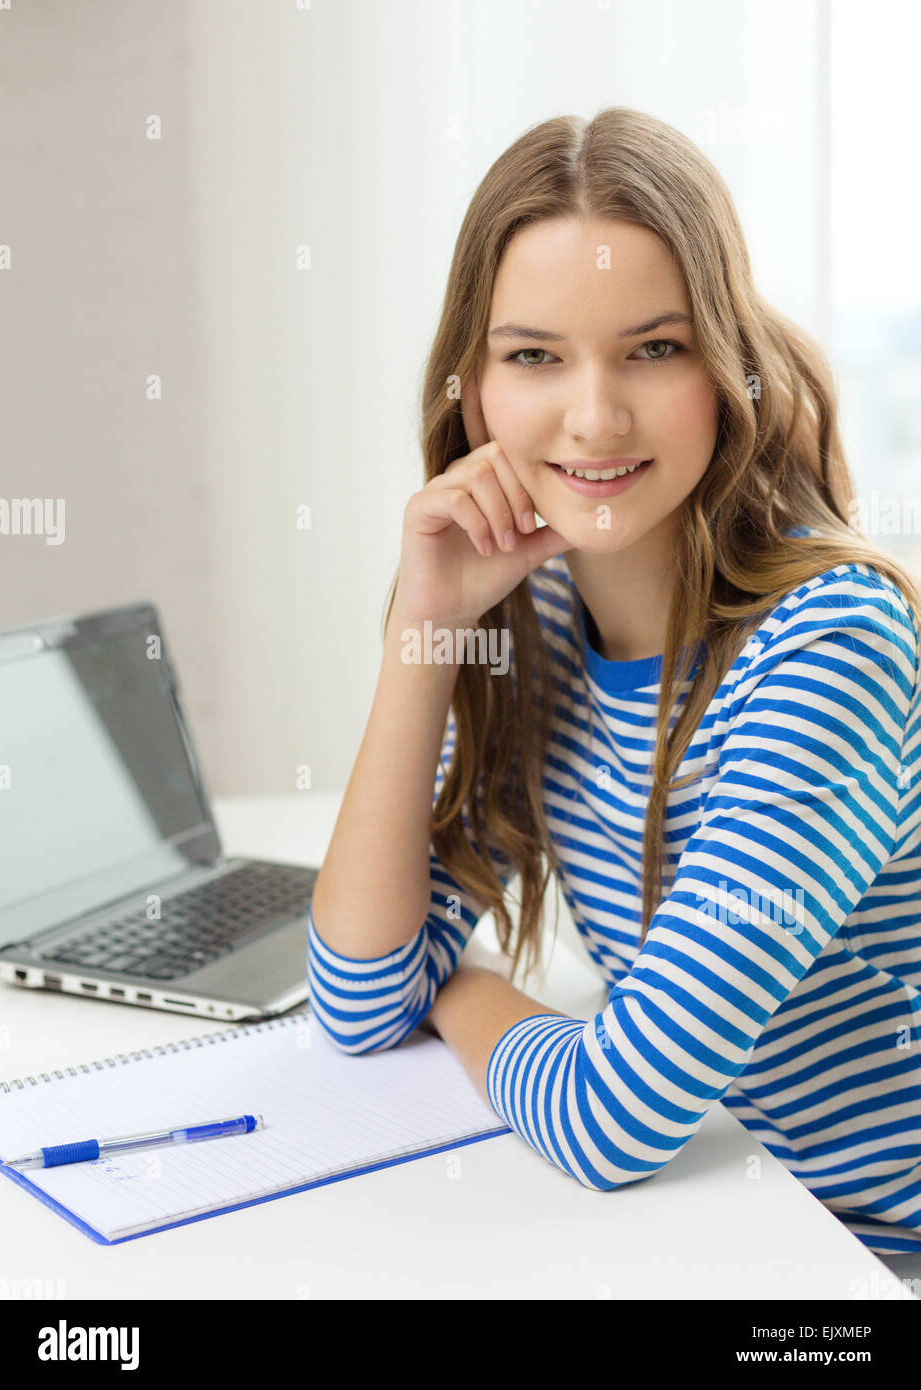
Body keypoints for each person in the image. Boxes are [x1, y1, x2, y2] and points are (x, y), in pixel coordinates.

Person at [307, 106, 921, 1264]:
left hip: (873, 1258)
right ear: (472, 388)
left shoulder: (829, 645)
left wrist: (466, 990)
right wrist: (425, 630)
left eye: (654, 347)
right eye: (534, 354)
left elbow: (612, 1115)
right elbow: (353, 998)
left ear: (727, 365)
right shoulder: (532, 615)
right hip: (724, 1230)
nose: (594, 416)